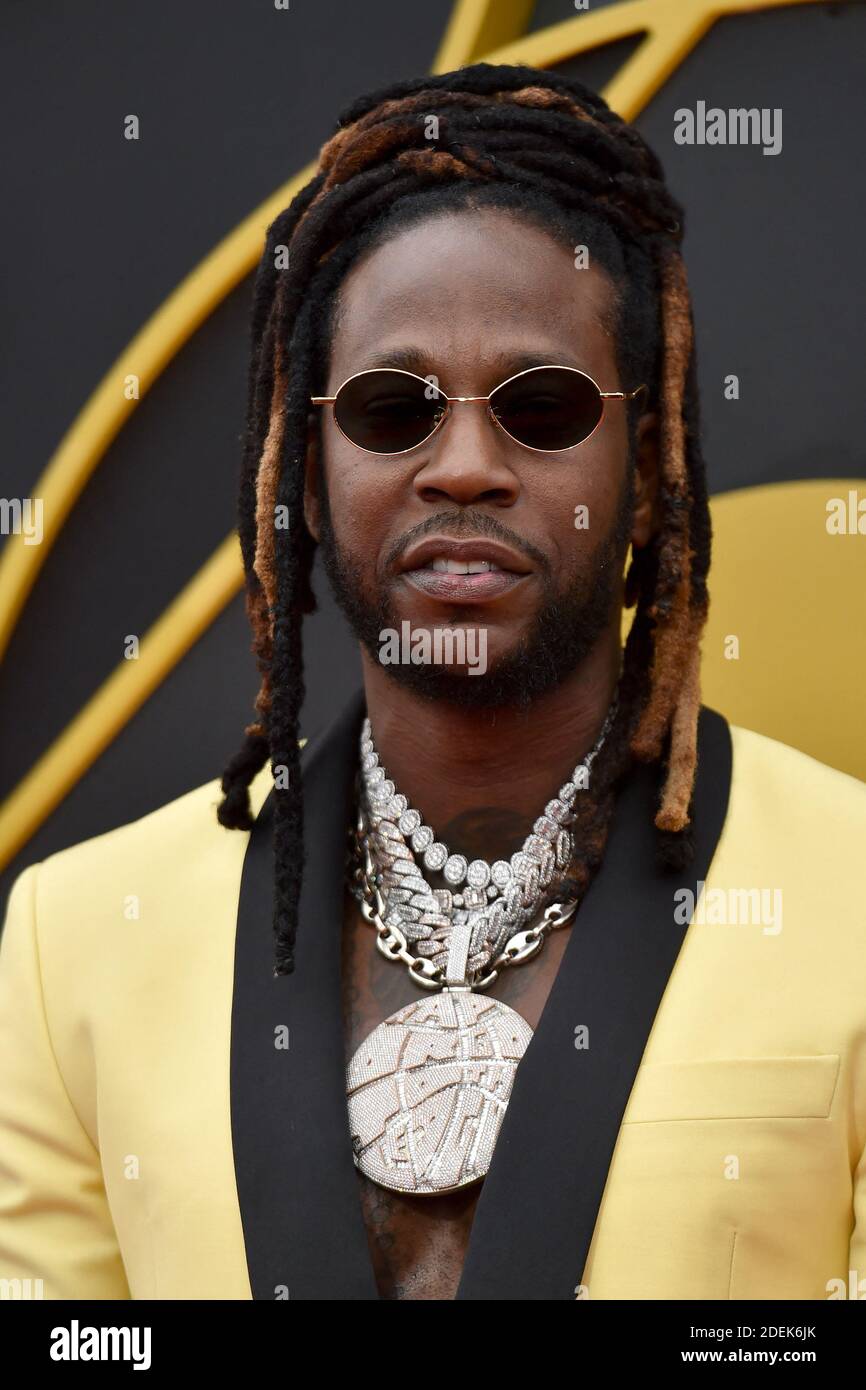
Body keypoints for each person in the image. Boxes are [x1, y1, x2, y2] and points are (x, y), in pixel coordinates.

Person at [1, 62, 864, 1303]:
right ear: (303, 465)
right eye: (391, 408)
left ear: (649, 469)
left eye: (544, 406)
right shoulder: (71, 943)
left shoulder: (848, 899)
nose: (463, 464)